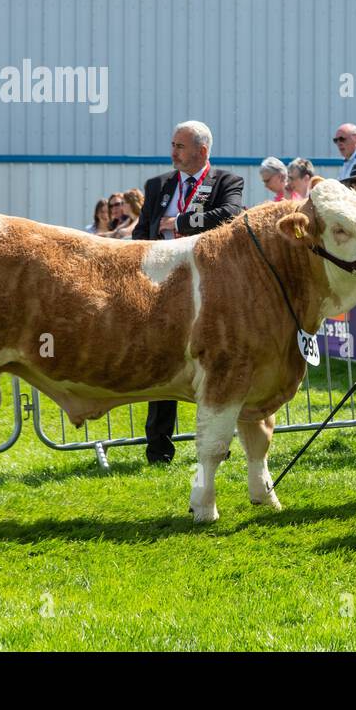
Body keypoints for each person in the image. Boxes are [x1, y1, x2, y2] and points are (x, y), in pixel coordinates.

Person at [130, 120, 245, 463]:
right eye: (173, 145)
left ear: (202, 150)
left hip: (208, 288)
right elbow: (141, 233)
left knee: (213, 365)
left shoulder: (226, 181)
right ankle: (158, 449)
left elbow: (230, 214)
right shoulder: (158, 185)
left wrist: (180, 223)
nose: (173, 152)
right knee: (163, 362)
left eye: (180, 146)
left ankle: (215, 445)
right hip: (162, 288)